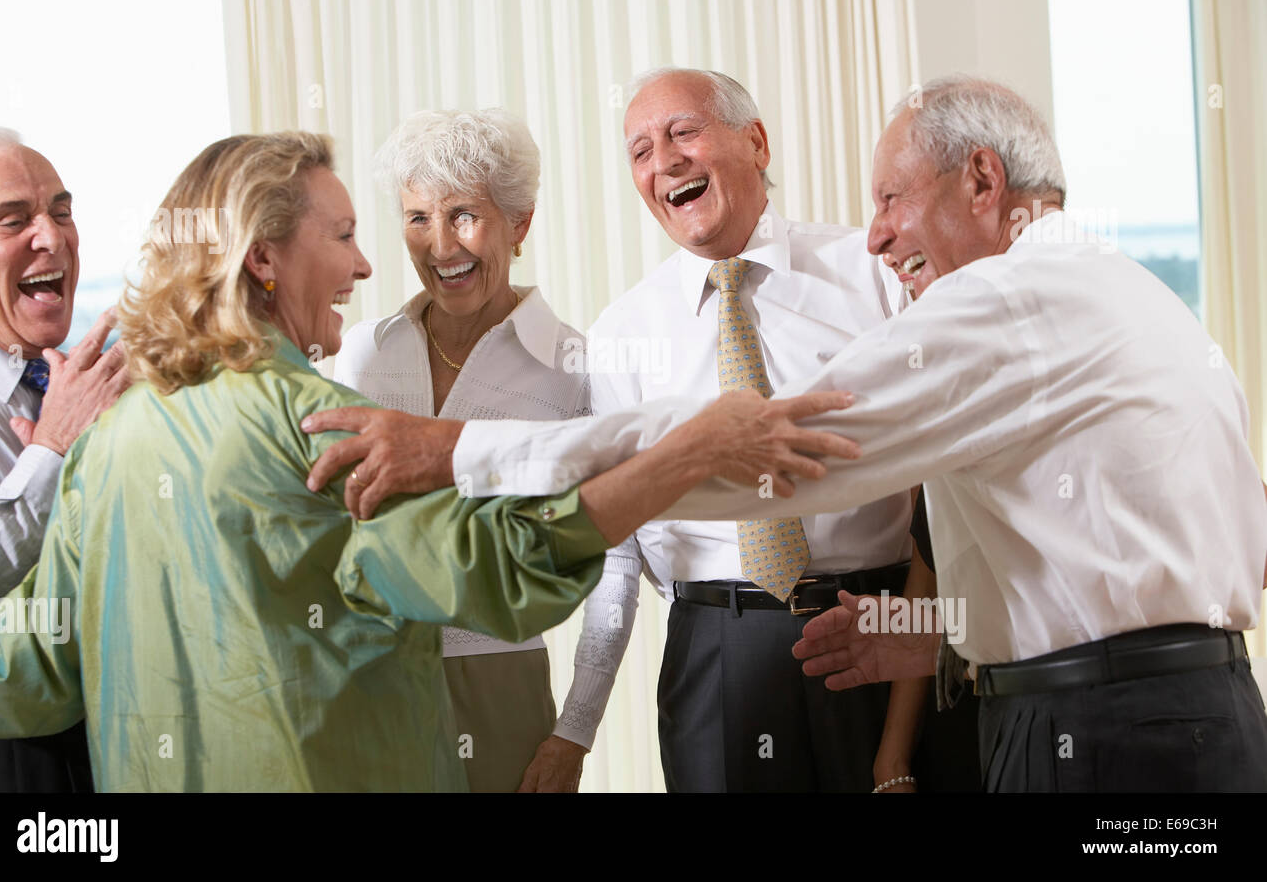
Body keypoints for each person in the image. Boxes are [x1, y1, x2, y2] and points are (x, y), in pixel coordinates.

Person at [308, 75, 1267, 791]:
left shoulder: (996, 299)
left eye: (892, 200)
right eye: (639, 148)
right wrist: (935, 635)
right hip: (1137, 708)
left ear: (981, 178)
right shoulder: (1129, 288)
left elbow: (778, 451)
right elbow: (1161, 560)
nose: (880, 235)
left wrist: (456, 449)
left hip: (1103, 734)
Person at [0, 131, 857, 791]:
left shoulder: (108, 438)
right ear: (266, 258)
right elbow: (503, 565)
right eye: (344, 234)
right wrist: (689, 449)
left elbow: (19, 678)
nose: (364, 264)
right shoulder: (317, 426)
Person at [308, 68, 928, 793]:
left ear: (755, 142)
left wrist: (924, 624)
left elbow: (943, 464)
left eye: (683, 133)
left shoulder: (874, 270)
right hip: (714, 645)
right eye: (640, 149)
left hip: (877, 619)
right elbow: (622, 544)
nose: (664, 161)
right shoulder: (620, 332)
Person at [332, 109, 597, 792]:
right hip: (371, 670)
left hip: (498, 679)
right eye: (418, 218)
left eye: (463, 215)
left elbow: (614, 552)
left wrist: (575, 730)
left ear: (520, 223)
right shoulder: (363, 354)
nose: (441, 244)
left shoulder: (570, 366)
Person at [0, 126, 130, 792]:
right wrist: (51, 451)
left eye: (62, 212)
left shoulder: (82, 382)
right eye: (13, 221)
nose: (52, 237)